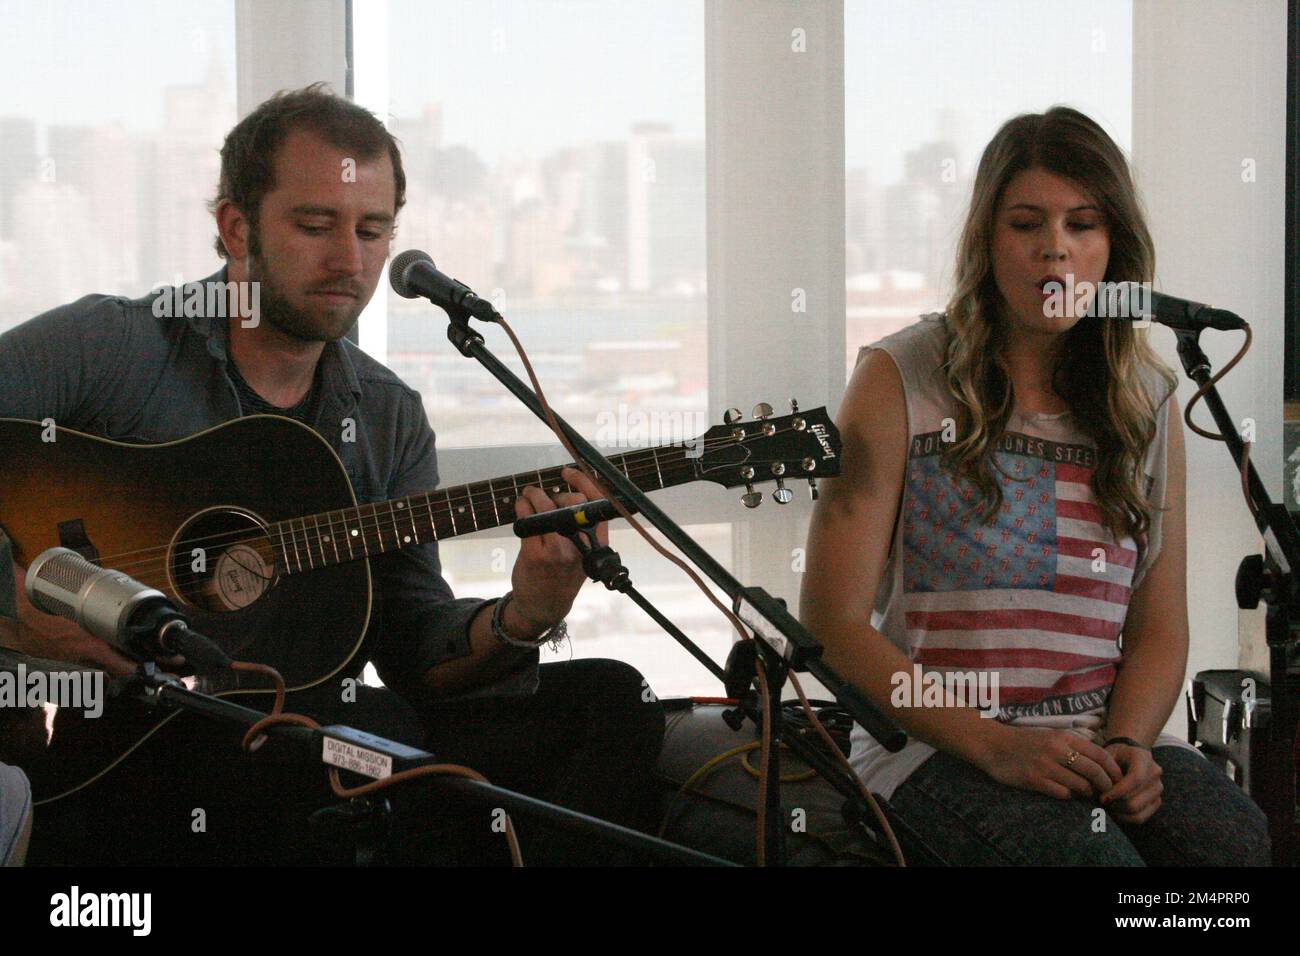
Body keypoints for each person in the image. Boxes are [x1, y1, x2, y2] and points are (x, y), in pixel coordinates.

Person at [0, 84, 663, 865]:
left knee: (612, 702)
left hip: (300, 730)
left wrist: (523, 613)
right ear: (236, 227)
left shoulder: (386, 415)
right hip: (130, 732)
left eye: (372, 230)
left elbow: (415, 647)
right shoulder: (115, 348)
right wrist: (18, 602)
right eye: (315, 225)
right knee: (376, 748)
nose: (349, 260)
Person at [801, 106, 1270, 865]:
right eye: (1026, 224)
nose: (1055, 247)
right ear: (988, 242)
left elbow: (1157, 626)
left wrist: (1130, 744)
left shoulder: (1147, 401)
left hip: (1095, 737)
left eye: (1082, 225)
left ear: (1114, 249)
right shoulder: (898, 379)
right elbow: (833, 624)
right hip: (933, 748)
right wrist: (995, 747)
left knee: (1233, 843)